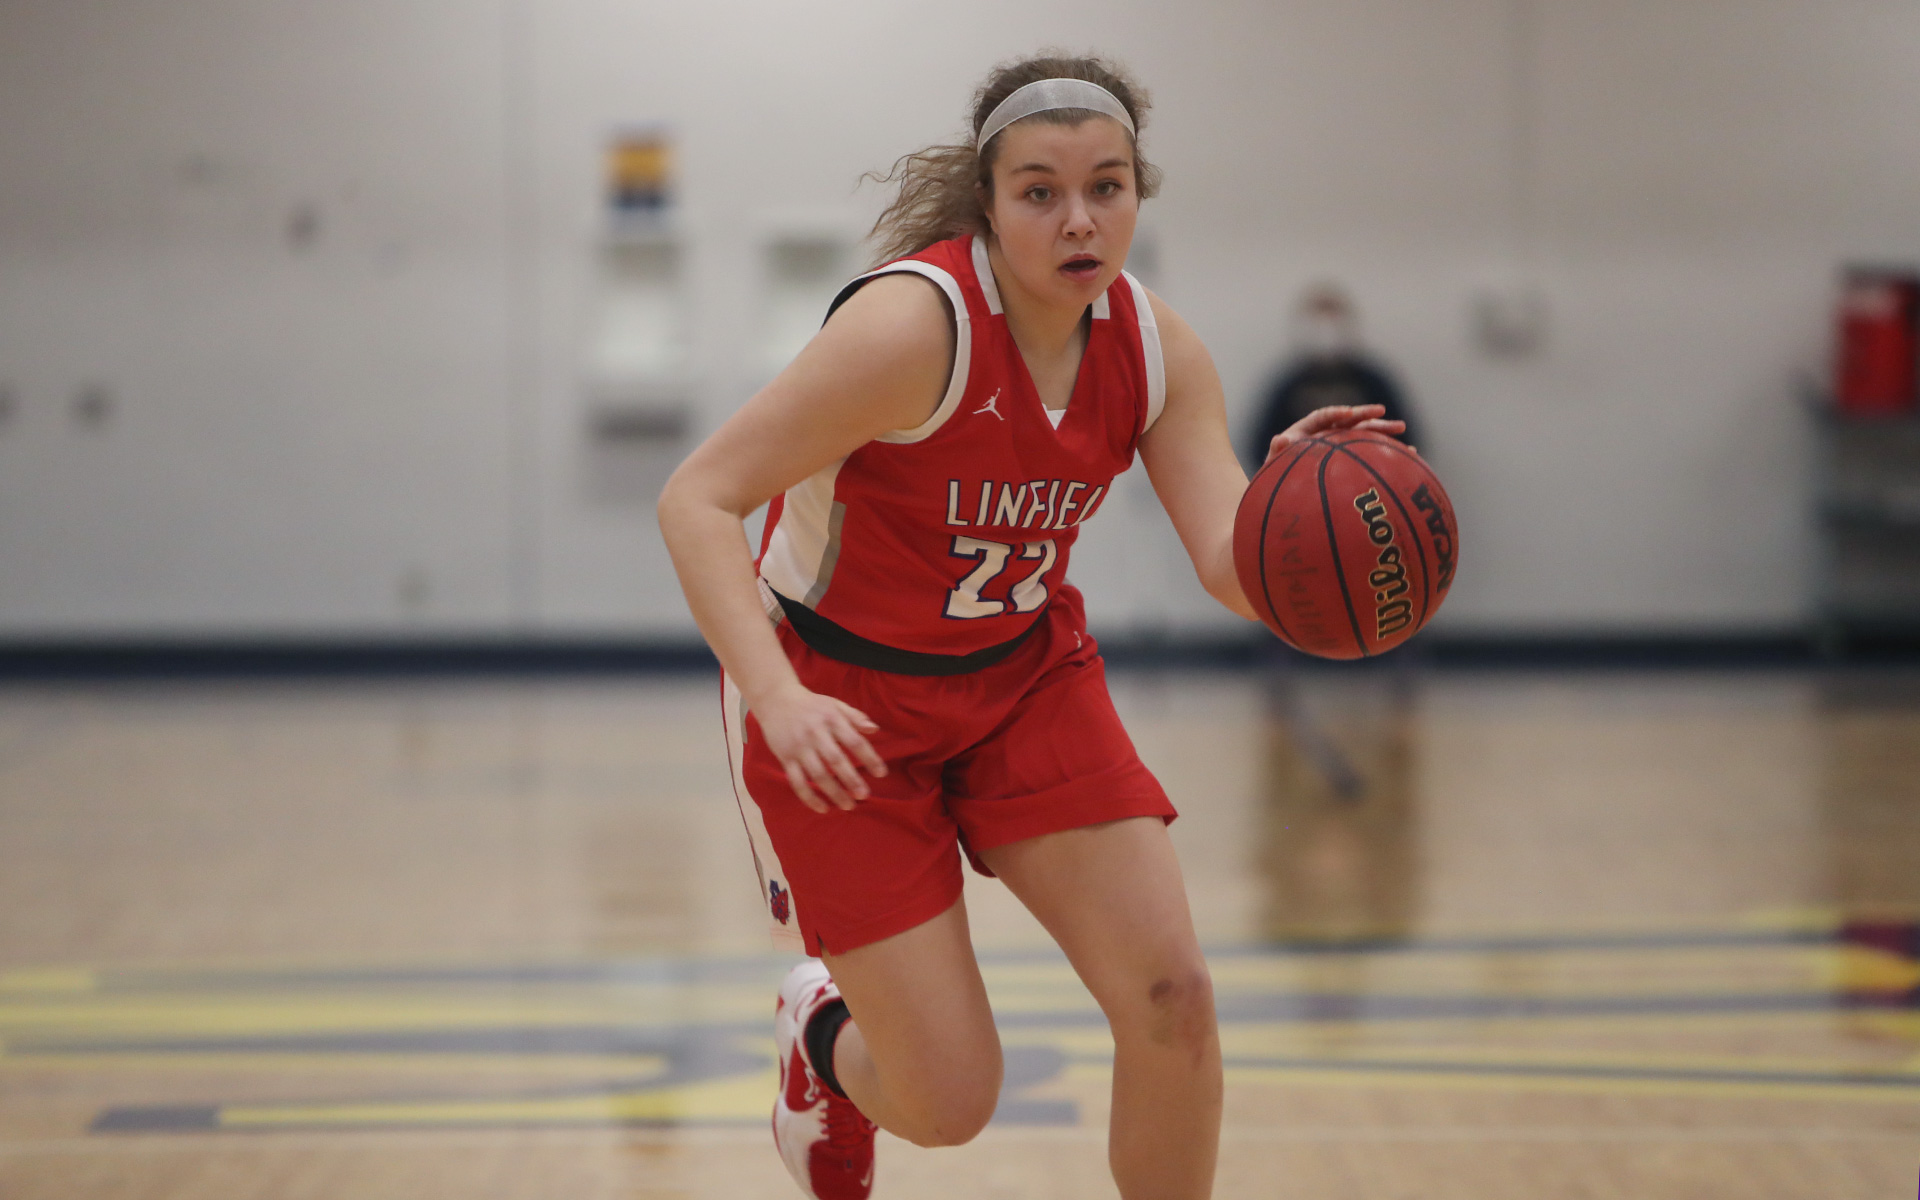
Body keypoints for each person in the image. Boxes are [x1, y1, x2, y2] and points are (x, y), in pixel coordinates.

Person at [658, 53, 1402, 1200]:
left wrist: (1285, 526)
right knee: (952, 1102)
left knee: (1175, 1002)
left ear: (1137, 197)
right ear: (989, 204)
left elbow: (1226, 565)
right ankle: (821, 1044)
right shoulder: (913, 330)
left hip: (1022, 676)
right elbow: (698, 500)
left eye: (1107, 187)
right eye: (1040, 191)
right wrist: (776, 696)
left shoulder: (1156, 349)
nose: (1078, 219)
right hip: (839, 696)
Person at [1244, 282, 1419, 472]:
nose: (1326, 334)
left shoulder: (1373, 382)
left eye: (1332, 322)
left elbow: (1407, 440)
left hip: (1368, 480)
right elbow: (1260, 449)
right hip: (1303, 484)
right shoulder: (1287, 386)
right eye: (1318, 324)